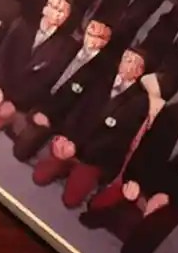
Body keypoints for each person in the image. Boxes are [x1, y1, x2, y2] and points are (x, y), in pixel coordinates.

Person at [80, 89, 178, 253]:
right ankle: (116, 214)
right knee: (97, 209)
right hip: (147, 176)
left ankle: (131, 225)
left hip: (173, 193)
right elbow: (145, 148)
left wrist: (167, 198)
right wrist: (134, 179)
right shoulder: (174, 111)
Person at [31, 46, 151, 208]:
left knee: (71, 200)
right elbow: (79, 110)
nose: (125, 63)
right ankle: (67, 166)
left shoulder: (140, 102)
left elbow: (116, 141)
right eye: (125, 58)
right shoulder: (102, 79)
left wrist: (79, 149)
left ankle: (77, 169)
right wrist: (68, 138)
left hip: (96, 157)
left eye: (131, 61)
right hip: (75, 141)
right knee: (39, 176)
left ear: (139, 72)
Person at [2, 19, 114, 138]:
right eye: (89, 33)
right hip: (44, 94)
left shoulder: (101, 70)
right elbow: (50, 71)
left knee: (25, 145)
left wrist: (53, 117)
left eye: (97, 37)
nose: (90, 38)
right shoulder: (70, 46)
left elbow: (81, 105)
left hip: (61, 110)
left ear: (104, 42)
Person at [0, 0, 79, 116]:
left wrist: (13, 98)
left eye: (62, 12)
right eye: (55, 8)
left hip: (21, 97)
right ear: (45, 7)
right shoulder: (22, 25)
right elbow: (2, 56)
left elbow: (44, 81)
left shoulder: (64, 47)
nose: (57, 15)